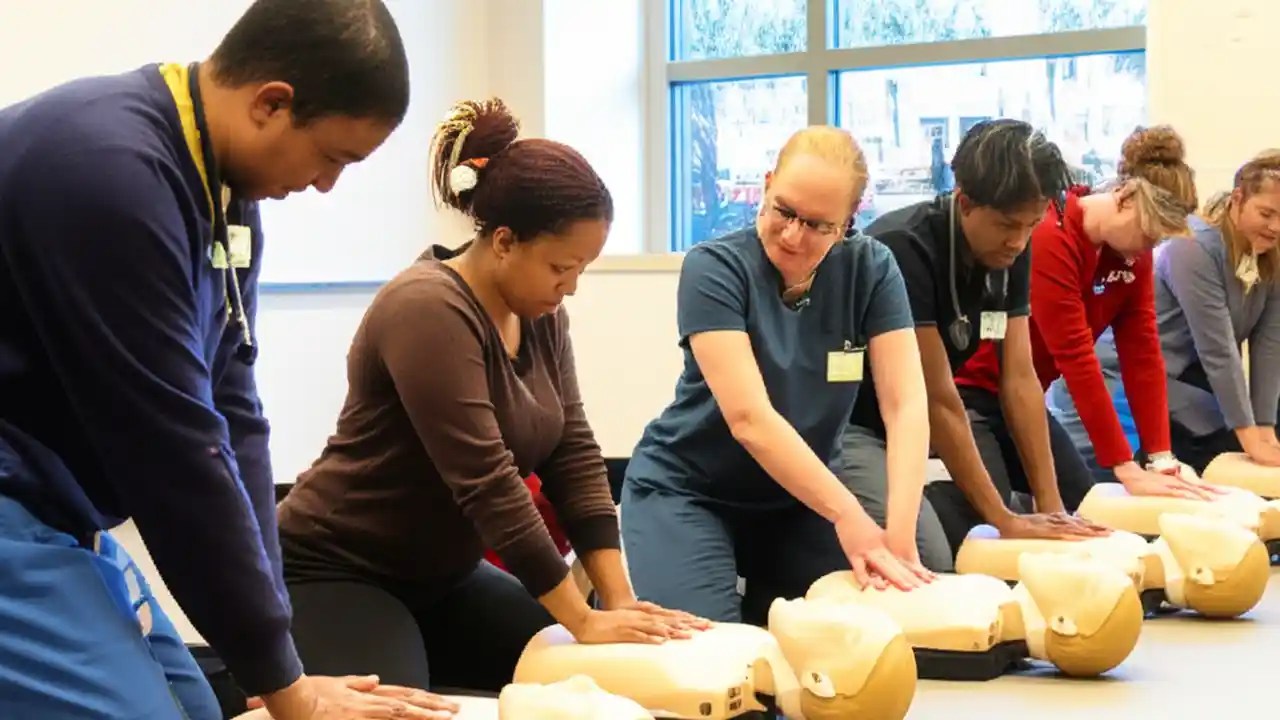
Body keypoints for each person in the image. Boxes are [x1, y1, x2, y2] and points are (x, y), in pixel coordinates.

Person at [0, 1, 464, 718]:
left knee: (203, 706)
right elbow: (173, 452)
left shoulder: (224, 196)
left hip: (50, 503)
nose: (324, 185)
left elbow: (233, 413)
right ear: (271, 103)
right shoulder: (106, 171)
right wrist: (291, 695)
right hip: (15, 500)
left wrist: (275, 662)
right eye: (332, 158)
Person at [276, 97, 702, 695]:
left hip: (443, 577)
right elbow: (486, 483)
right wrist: (580, 617)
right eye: (561, 267)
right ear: (504, 241)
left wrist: (618, 603)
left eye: (581, 269)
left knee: (594, 681)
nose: (570, 287)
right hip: (335, 570)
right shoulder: (427, 308)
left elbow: (572, 453)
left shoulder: (540, 312)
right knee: (399, 708)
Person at [619, 126, 936, 627]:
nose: (792, 235)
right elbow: (749, 419)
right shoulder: (715, 267)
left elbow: (905, 404)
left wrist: (899, 538)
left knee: (869, 617)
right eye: (783, 210)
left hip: (798, 502)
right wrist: (848, 514)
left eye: (817, 225)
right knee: (714, 652)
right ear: (766, 184)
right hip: (690, 490)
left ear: (848, 223)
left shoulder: (871, 269)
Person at [848, 119, 1109, 562]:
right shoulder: (903, 247)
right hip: (856, 423)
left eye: (1031, 225)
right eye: (1008, 225)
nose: (1019, 240)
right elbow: (936, 398)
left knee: (1076, 498)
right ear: (965, 202)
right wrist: (1003, 518)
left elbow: (1021, 379)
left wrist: (1052, 508)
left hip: (921, 419)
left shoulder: (1013, 246)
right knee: (939, 550)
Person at [959, 125, 1219, 501]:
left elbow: (1143, 355)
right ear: (1126, 196)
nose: (1148, 248)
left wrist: (1161, 458)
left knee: (1082, 504)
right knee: (990, 505)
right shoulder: (1052, 233)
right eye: (1148, 234)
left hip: (1024, 398)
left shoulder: (1131, 255)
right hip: (971, 391)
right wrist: (1122, 464)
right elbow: (1076, 356)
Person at [1050, 150, 1280, 475]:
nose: (1275, 227)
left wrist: (1266, 430)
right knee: (1094, 484)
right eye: (1266, 213)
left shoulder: (1270, 255)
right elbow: (1218, 350)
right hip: (1120, 378)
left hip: (1174, 377)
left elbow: (1269, 345)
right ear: (1237, 198)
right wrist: (1249, 436)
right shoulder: (1192, 248)